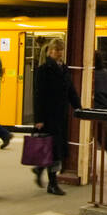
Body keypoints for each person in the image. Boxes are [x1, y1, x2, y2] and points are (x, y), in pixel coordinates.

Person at [33, 36, 82, 196]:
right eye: (56, 50)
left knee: (55, 148)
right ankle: (52, 184)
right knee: (54, 150)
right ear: (49, 51)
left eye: (61, 50)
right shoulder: (43, 69)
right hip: (48, 116)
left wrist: (78, 107)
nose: (58, 53)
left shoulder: (64, 69)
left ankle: (39, 168)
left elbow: (70, 90)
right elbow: (38, 95)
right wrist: (38, 119)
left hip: (61, 115)